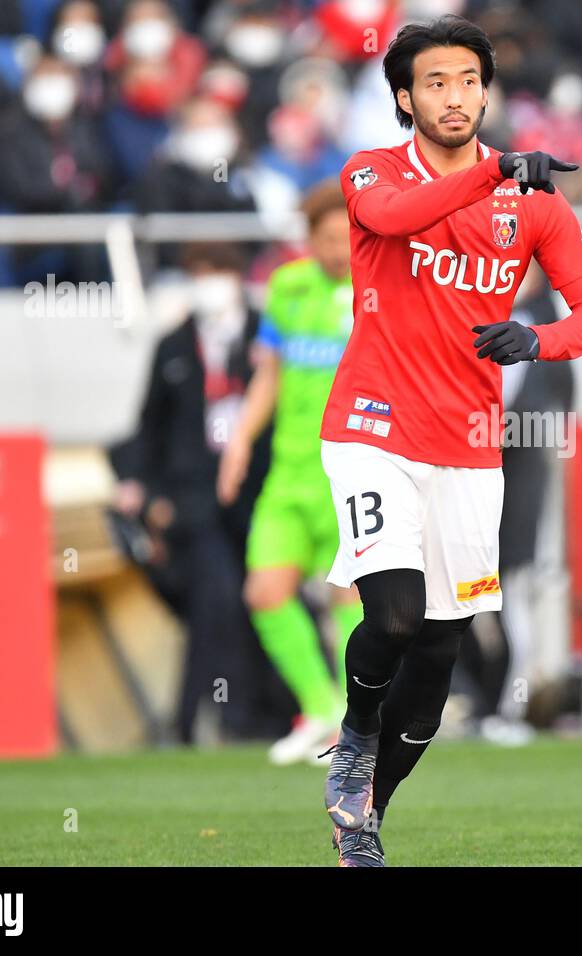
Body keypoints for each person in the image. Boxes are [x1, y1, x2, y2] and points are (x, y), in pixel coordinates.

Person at [316, 14, 582, 865]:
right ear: (405, 99)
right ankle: (354, 732)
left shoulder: (533, 201)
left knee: (443, 647)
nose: (456, 96)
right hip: (372, 427)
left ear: (487, 90)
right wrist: (492, 175)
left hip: (470, 444)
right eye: (437, 83)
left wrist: (539, 340)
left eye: (470, 81)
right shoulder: (372, 172)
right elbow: (401, 215)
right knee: (397, 615)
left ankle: (364, 815)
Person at [217, 182, 363, 766]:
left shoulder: (375, 294)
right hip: (288, 476)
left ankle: (356, 728)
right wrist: (239, 444)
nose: (339, 249)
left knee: (346, 598)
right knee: (265, 591)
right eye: (327, 238)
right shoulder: (286, 289)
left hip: (348, 471)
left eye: (347, 237)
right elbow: (269, 376)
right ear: (309, 241)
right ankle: (320, 707)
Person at [113, 241, 275, 744]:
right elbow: (148, 426)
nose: (207, 283)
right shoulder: (174, 345)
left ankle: (249, 715)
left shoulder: (265, 338)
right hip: (194, 497)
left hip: (260, 490)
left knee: (261, 600)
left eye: (216, 270)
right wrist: (147, 490)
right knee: (217, 597)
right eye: (197, 273)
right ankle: (204, 719)